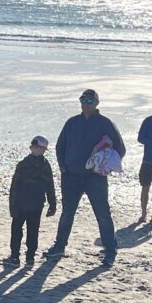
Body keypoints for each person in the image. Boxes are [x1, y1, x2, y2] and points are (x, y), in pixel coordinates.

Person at [45, 89, 125, 267]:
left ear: (96, 103)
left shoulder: (105, 123)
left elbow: (120, 149)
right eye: (82, 100)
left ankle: (110, 250)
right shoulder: (72, 122)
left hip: (95, 178)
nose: (85, 104)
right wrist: (62, 166)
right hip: (71, 176)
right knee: (67, 213)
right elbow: (60, 146)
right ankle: (59, 247)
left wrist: (105, 166)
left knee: (102, 214)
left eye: (89, 100)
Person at [5, 136, 57, 267]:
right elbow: (14, 186)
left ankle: (29, 257)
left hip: (35, 204)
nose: (38, 150)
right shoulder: (23, 164)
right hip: (22, 203)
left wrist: (52, 203)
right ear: (31, 148)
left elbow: (50, 186)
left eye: (40, 148)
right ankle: (16, 256)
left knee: (32, 231)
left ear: (44, 150)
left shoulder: (44, 166)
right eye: (35, 147)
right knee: (18, 230)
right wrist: (12, 205)